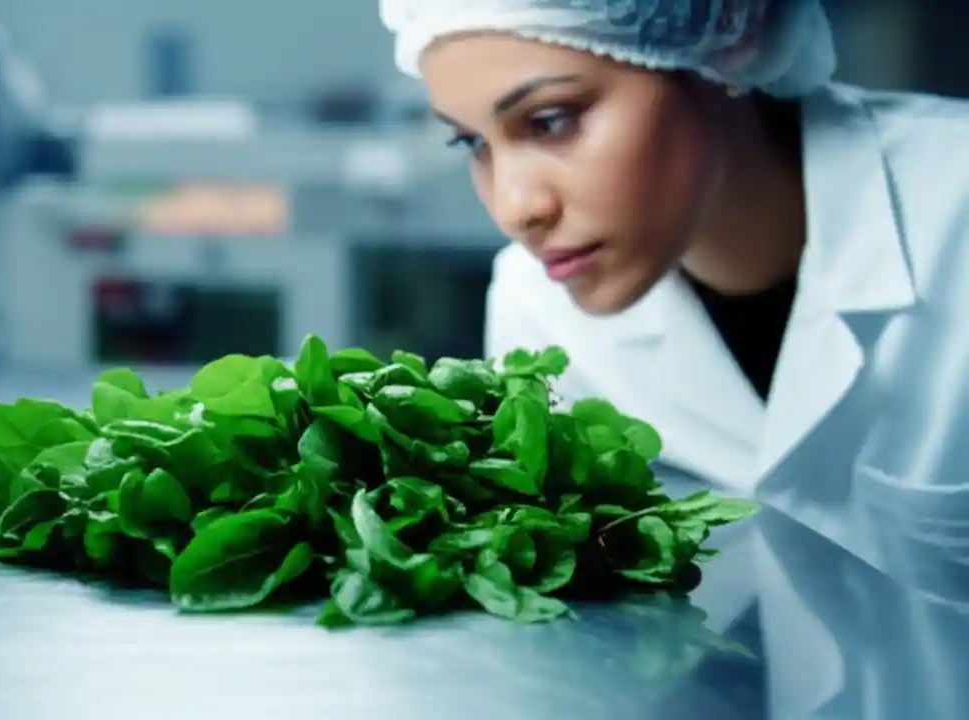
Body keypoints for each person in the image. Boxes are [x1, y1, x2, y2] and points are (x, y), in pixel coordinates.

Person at [380, 0, 969, 570]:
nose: (514, 208)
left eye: (551, 121)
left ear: (731, 33)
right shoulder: (534, 303)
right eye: (472, 142)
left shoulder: (955, 205)